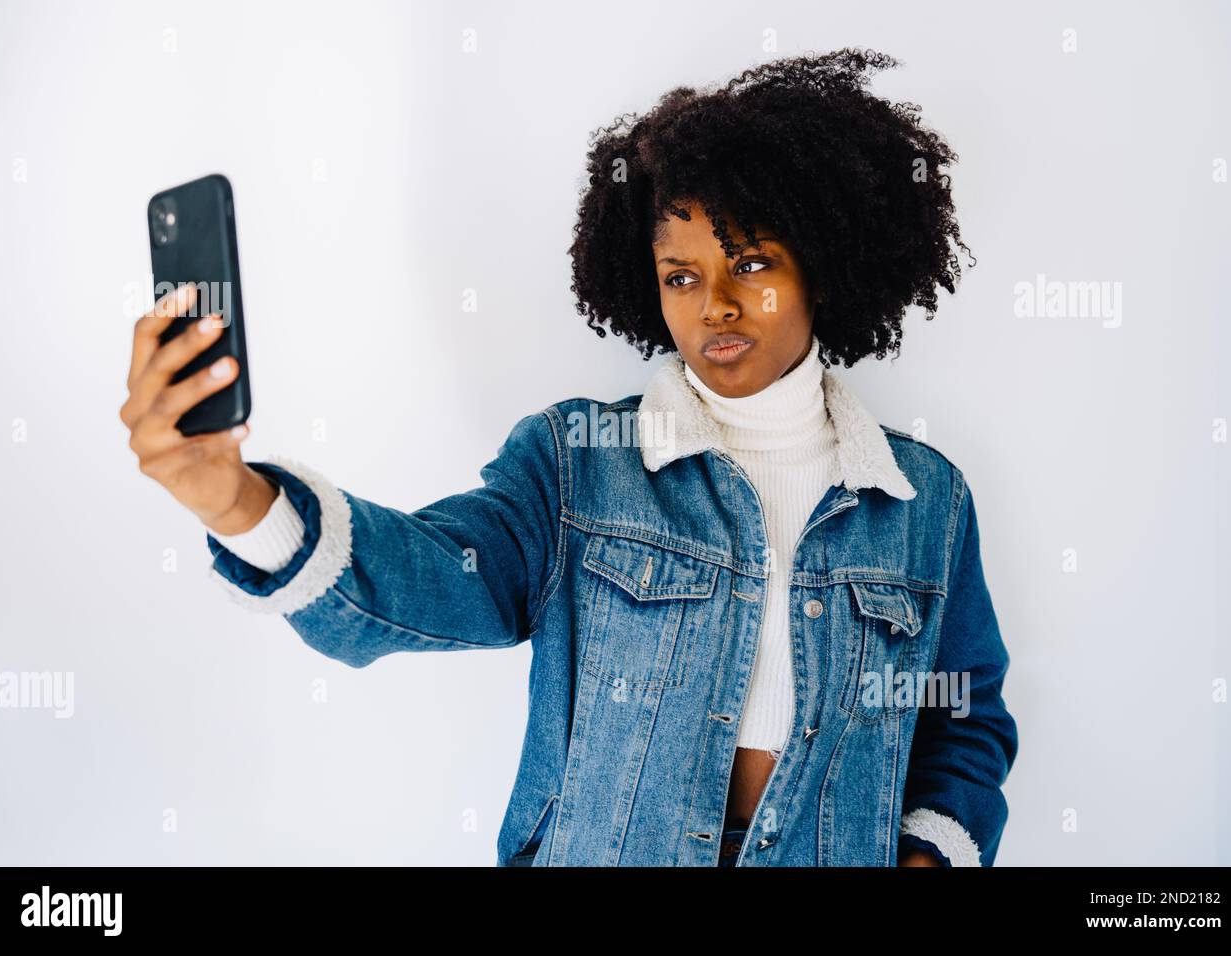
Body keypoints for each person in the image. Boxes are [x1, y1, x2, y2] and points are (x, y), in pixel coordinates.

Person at [120, 49, 1017, 867]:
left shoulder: (923, 500)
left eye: (751, 264)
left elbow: (965, 715)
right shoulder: (577, 465)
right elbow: (428, 578)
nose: (715, 305)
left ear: (820, 268)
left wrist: (931, 855)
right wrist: (234, 498)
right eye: (681, 274)